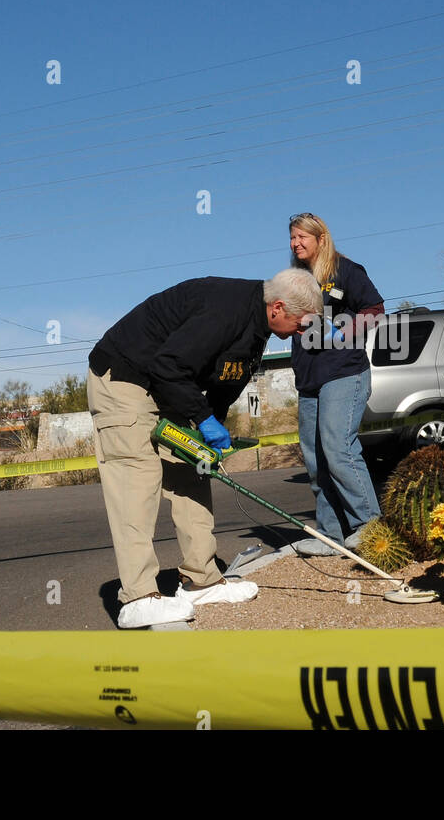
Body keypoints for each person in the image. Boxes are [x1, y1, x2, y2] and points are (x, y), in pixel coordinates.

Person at [87, 268, 322, 628]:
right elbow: (168, 365)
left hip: (170, 386)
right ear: (277, 308)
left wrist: (209, 423)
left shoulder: (258, 327)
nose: (304, 331)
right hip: (125, 379)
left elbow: (225, 379)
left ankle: (201, 580)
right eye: (302, 323)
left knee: (193, 472)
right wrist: (203, 417)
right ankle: (137, 596)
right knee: (138, 480)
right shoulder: (224, 309)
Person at [287, 212, 386, 556]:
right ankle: (331, 534)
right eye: (292, 238)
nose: (296, 243)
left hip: (344, 373)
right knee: (315, 461)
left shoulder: (346, 270)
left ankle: (370, 527)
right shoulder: (295, 279)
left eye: (302, 237)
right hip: (309, 379)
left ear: (321, 238)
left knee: (338, 449)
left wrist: (340, 331)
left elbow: (374, 310)